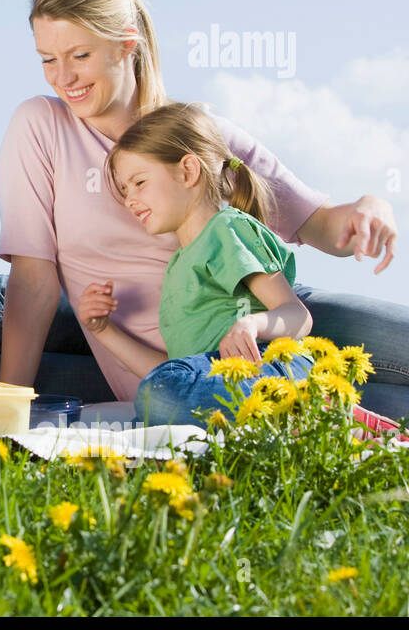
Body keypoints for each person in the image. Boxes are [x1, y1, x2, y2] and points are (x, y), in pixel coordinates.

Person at [0, 0, 409, 439]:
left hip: (270, 315)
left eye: (79, 56)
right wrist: (2, 415)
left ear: (127, 44)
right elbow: (33, 283)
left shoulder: (197, 134)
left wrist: (372, 205)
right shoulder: (41, 128)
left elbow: (320, 224)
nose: (62, 77)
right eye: (47, 59)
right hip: (189, 371)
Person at [76, 102, 316, 424]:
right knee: (160, 392)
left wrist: (253, 324)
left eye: (139, 182)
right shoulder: (177, 265)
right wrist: (104, 331)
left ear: (188, 171)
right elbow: (171, 372)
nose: (130, 199)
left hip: (272, 370)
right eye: (124, 190)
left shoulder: (226, 230)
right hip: (217, 378)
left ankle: (316, 412)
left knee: (158, 396)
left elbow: (298, 316)